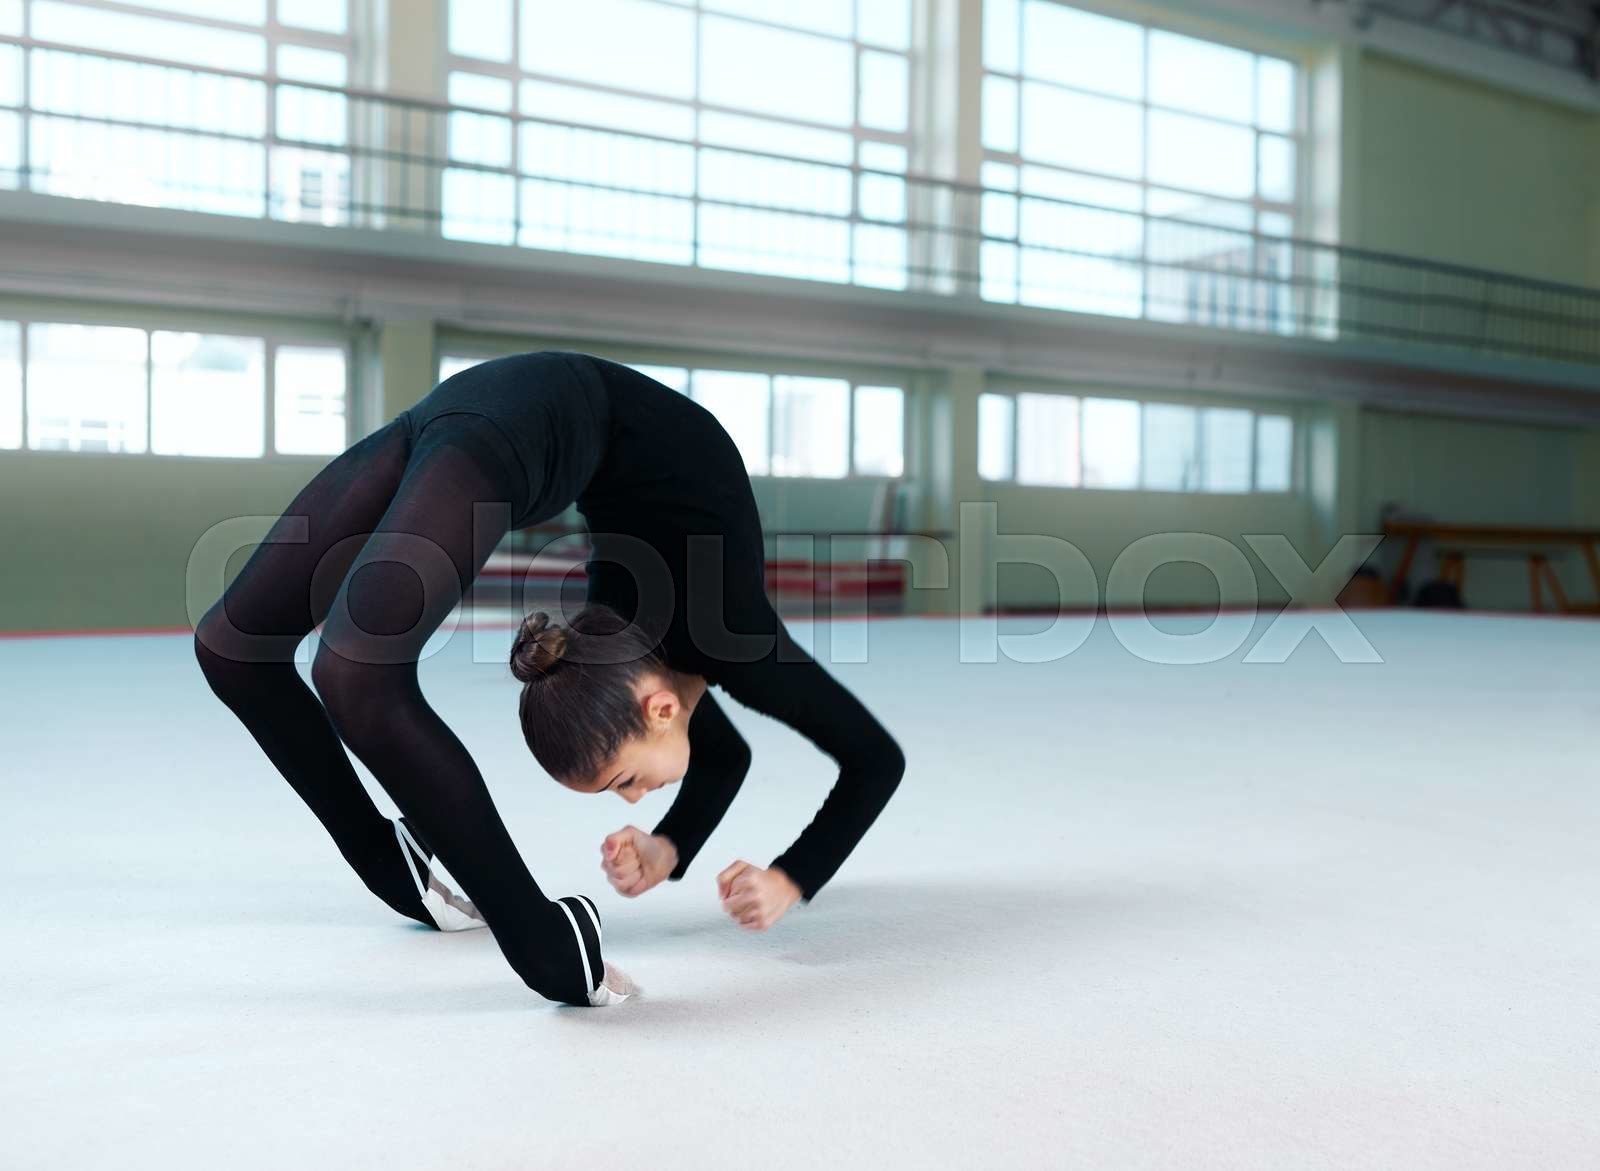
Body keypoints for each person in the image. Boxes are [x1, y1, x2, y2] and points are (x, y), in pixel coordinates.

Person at [194, 351, 905, 1007]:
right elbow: (876, 759)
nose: (632, 795)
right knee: (340, 668)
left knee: (242, 647)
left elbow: (722, 755)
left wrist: (669, 845)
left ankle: (394, 863)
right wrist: (787, 879)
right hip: (515, 420)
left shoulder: (620, 646)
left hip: (479, 402)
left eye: (619, 781)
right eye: (627, 783)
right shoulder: (740, 640)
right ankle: (544, 942)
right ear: (659, 706)